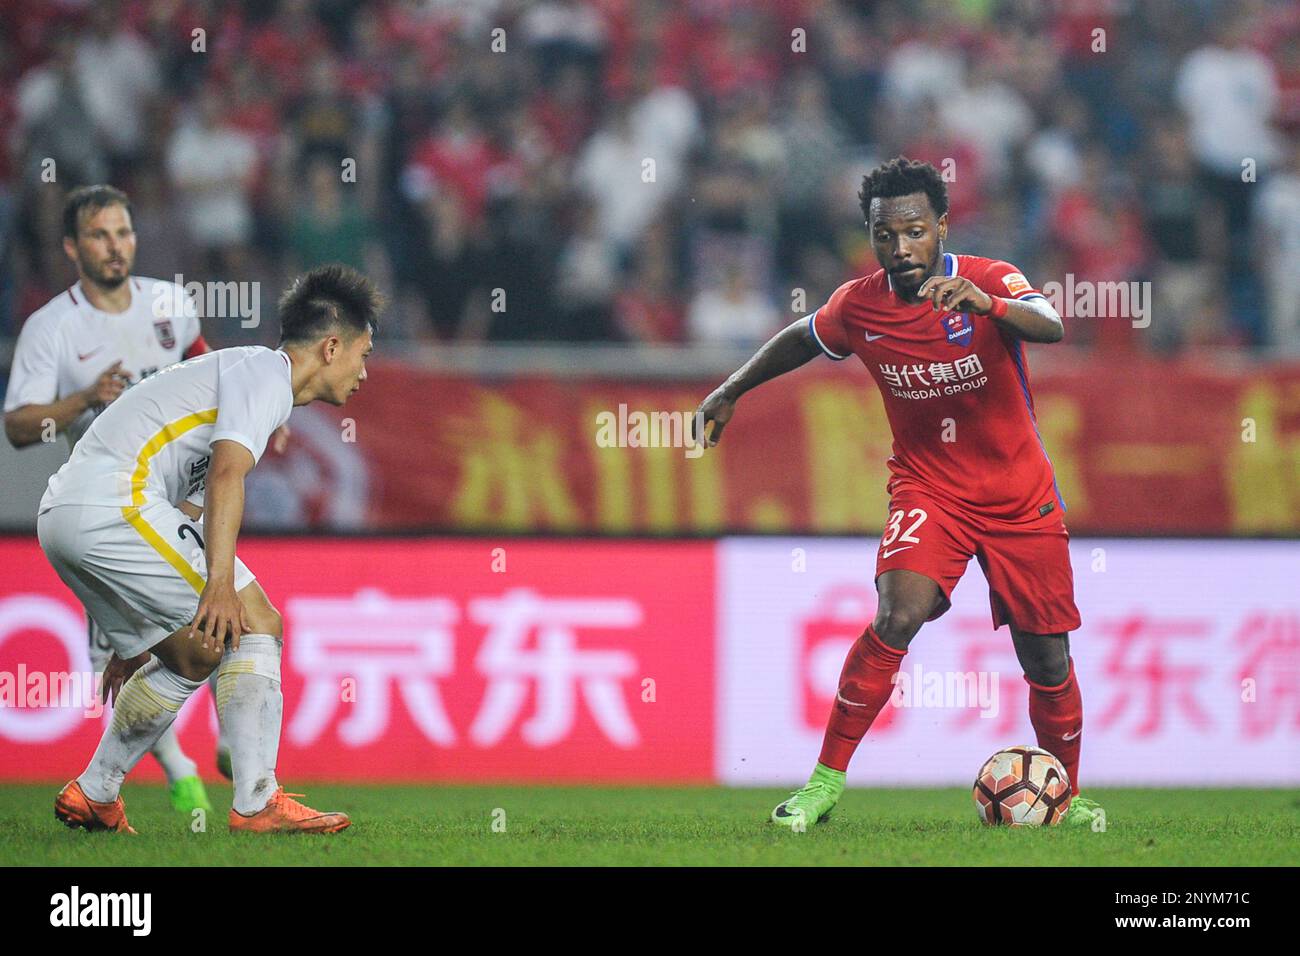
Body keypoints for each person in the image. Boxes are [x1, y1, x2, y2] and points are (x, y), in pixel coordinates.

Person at [693, 158, 1103, 828]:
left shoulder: (989, 277)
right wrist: (730, 389)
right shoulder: (860, 305)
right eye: (886, 236)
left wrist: (988, 306)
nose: (901, 248)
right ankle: (822, 786)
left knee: (1047, 655)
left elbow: (1050, 323)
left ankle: (1068, 795)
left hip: (1018, 495)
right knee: (896, 615)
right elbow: (804, 337)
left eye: (914, 231)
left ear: (941, 226)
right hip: (929, 491)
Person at [40, 264, 380, 834]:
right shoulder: (266, 376)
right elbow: (227, 476)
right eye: (363, 355)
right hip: (113, 504)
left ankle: (96, 793)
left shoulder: (239, 377)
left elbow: (192, 508)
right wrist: (218, 584)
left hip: (67, 518)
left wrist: (137, 632)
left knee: (192, 653)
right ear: (331, 346)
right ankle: (256, 802)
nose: (364, 373)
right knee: (255, 621)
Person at [4, 185, 219, 815]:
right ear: (72, 247)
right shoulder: (52, 328)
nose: (115, 246)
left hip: (183, 503)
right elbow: (18, 427)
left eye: (123, 232)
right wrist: (84, 397)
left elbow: (205, 366)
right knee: (132, 652)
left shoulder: (169, 303)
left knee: (204, 625)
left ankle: (217, 752)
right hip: (107, 512)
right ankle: (180, 772)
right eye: (99, 235)